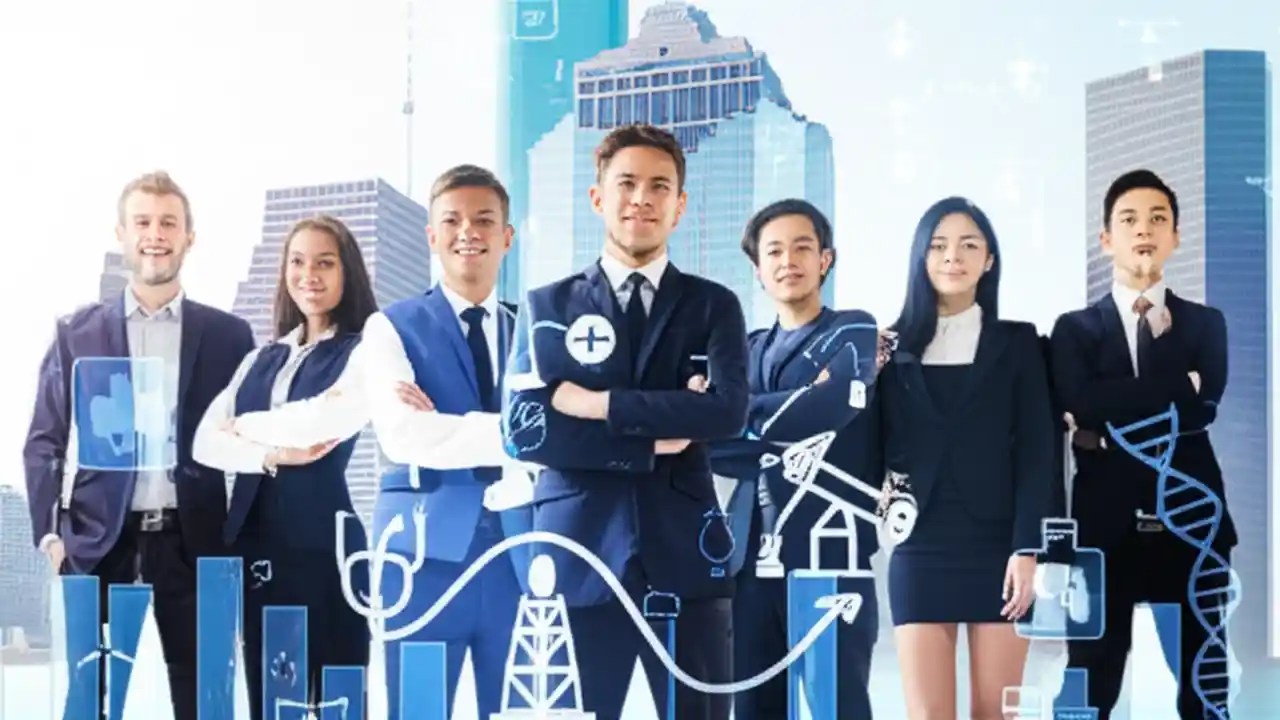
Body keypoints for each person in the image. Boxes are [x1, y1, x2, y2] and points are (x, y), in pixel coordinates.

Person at [501, 123, 749, 720]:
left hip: (687, 556)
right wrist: (653, 438)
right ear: (598, 197)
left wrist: (599, 404)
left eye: (659, 186)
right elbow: (526, 429)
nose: (642, 198)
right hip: (578, 552)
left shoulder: (714, 305)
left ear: (680, 205)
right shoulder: (546, 308)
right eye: (627, 183)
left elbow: (727, 412)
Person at [22, 171, 256, 720]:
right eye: (143, 222)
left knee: (207, 700)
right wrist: (53, 537)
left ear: (189, 237)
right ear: (122, 234)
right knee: (89, 701)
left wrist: (240, 538)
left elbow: (250, 441)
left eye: (169, 223)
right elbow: (44, 441)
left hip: (195, 543)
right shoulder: (75, 333)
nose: (156, 234)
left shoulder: (229, 338)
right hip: (99, 543)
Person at [1049, 169, 1236, 719]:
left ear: (1176, 236)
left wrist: (1111, 403)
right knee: (1089, 682)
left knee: (1204, 683)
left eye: (1158, 219)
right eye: (1128, 220)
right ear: (1107, 239)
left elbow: (1204, 403)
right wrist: (1177, 387)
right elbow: (1082, 402)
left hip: (1192, 523)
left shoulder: (1205, 324)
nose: (1144, 230)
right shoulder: (1074, 329)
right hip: (1102, 530)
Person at [191, 215, 377, 720]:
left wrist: (244, 426)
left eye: (324, 262)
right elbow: (205, 443)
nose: (309, 274)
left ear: (347, 273)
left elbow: (322, 421)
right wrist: (269, 455)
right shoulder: (259, 359)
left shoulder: (366, 350)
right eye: (297, 262)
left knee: (339, 697)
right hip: (255, 547)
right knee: (272, 698)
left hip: (326, 548)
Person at [362, 165, 529, 720]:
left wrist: (455, 430)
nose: (468, 232)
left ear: (507, 236)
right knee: (418, 709)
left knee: (522, 711)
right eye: (452, 220)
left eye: (485, 220)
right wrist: (520, 431)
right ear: (431, 235)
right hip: (421, 557)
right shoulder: (390, 326)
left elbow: (565, 435)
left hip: (521, 556)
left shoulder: (537, 330)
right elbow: (405, 434)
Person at [877, 196, 1054, 719]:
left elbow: (1038, 452)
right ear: (920, 256)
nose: (952, 256)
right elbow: (870, 446)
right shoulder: (887, 348)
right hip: (919, 545)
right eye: (938, 245)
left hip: (999, 547)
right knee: (929, 715)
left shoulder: (1019, 343)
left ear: (989, 260)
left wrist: (1028, 549)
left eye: (969, 245)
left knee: (994, 714)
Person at [709, 198, 883, 719]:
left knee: (838, 704)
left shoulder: (853, 330)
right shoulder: (745, 348)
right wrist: (791, 408)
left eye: (802, 248)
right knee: (755, 708)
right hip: (750, 560)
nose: (789, 261)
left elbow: (833, 408)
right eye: (775, 251)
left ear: (825, 260)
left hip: (832, 556)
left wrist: (738, 412)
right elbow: (714, 446)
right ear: (758, 269)